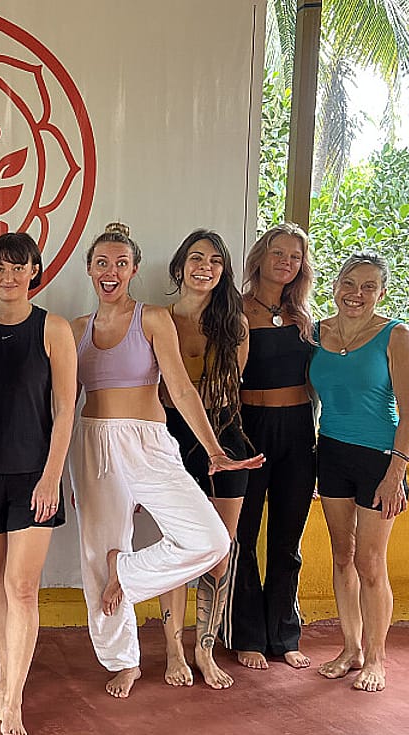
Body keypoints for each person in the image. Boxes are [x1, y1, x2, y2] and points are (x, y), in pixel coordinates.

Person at [69, 222, 263, 699]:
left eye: (120, 263)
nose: (110, 272)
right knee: (98, 554)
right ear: (90, 271)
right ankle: (123, 661)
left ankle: (128, 574)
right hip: (94, 444)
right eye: (101, 263)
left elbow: (180, 387)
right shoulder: (76, 330)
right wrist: (52, 469)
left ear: (134, 269)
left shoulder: (153, 318)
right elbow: (60, 402)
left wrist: (215, 451)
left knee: (211, 540)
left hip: (150, 441)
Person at [0, 232, 76, 735]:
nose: (8, 277)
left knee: (22, 587)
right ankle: (7, 675)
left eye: (18, 267)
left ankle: (15, 699)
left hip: (34, 475)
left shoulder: (54, 328)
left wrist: (52, 476)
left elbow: (67, 408)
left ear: (34, 271)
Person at [311, 253, 409, 692]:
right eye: (350, 283)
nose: (356, 294)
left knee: (370, 562)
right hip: (331, 453)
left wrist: (397, 472)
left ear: (382, 292)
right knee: (342, 556)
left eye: (369, 286)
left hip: (379, 459)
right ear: (335, 285)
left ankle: (377, 658)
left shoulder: (395, 335)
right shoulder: (316, 332)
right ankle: (350, 648)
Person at [156, 230, 250, 690]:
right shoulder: (157, 320)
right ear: (179, 267)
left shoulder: (235, 324)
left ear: (223, 272)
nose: (204, 267)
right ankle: (174, 648)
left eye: (215, 261)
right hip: (172, 438)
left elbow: (230, 391)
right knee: (177, 548)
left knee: (218, 551)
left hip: (226, 437)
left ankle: (204, 647)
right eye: (196, 258)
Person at [231, 223, 316, 671]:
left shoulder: (305, 317)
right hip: (250, 426)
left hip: (299, 430)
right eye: (278, 253)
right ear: (260, 257)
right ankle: (246, 634)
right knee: (243, 535)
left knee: (287, 540)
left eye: (296, 256)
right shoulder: (236, 310)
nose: (286, 262)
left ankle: (284, 635)